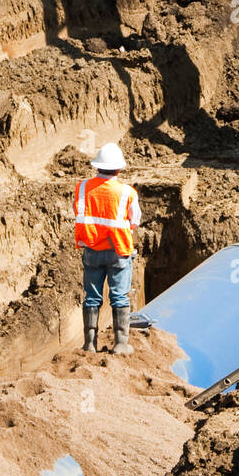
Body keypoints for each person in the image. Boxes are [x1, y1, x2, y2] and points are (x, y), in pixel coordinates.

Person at [74, 142, 141, 355]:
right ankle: (121, 343)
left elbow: (79, 211)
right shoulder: (126, 192)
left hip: (92, 249)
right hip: (118, 250)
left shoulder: (82, 187)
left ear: (97, 167)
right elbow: (134, 221)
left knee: (92, 297)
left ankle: (89, 344)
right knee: (119, 297)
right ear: (118, 169)